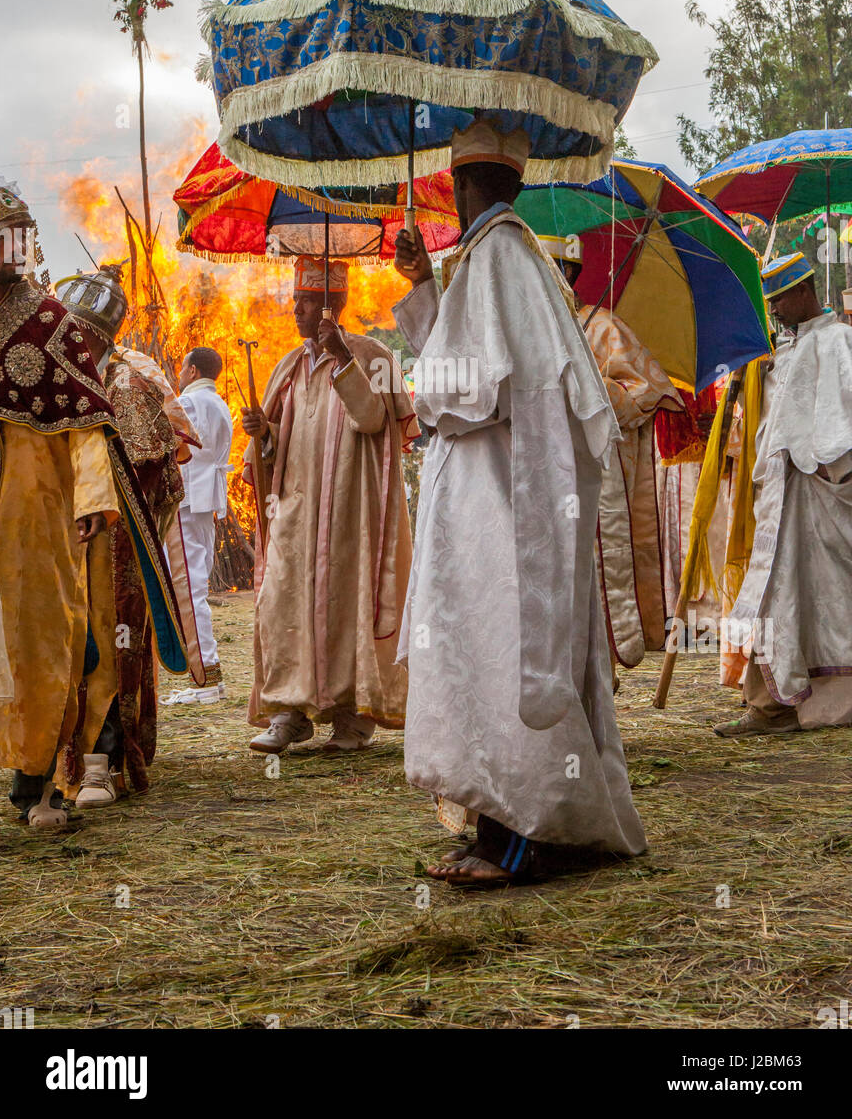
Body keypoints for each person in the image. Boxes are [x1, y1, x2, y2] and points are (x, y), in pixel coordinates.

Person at [392, 119, 646, 887]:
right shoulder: (514, 260)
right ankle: (522, 827)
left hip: (500, 508)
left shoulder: (499, 257)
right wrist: (422, 288)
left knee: (504, 654)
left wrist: (425, 383)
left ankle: (520, 837)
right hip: (497, 499)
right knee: (494, 652)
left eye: (455, 186)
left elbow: (462, 389)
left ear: (465, 186)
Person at [0, 190, 183, 828]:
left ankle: (39, 787)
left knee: (46, 639)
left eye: (15, 236)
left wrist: (93, 504)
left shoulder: (51, 325)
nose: (8, 250)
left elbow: (92, 426)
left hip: (37, 515)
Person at [243, 256, 418, 754]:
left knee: (349, 601)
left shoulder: (374, 355)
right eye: (295, 300)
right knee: (283, 601)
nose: (294, 310)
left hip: (352, 511)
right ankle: (288, 712)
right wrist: (266, 434)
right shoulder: (289, 365)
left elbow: (372, 420)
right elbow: (280, 445)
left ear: (332, 306)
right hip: (296, 513)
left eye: (305, 302)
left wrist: (343, 359)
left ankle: (352, 716)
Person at [54, 266, 187, 805]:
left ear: (95, 337)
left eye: (72, 333)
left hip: (115, 546)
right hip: (66, 535)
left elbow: (150, 473)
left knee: (113, 646)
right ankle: (63, 758)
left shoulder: (128, 387)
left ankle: (103, 760)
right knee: (71, 643)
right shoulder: (65, 379)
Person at [716, 253, 852, 736]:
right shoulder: (785, 349)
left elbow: (842, 428)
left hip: (820, 501)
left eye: (778, 300)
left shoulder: (838, 341)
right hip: (783, 502)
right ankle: (769, 705)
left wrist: (833, 479)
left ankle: (790, 707)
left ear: (803, 291)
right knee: (777, 595)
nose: (773, 310)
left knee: (819, 600)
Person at [542, 235, 683, 681]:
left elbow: (650, 388)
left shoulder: (604, 328)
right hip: (542, 478)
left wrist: (594, 394)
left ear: (566, 275)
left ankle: (599, 675)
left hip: (595, 480)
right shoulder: (529, 332)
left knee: (594, 574)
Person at [164, 347, 233, 706]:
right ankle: (207, 672)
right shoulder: (218, 403)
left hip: (186, 497)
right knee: (196, 584)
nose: (178, 374)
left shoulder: (189, 403)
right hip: (204, 500)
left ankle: (205, 675)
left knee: (188, 587)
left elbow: (169, 442)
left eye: (181, 368)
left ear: (191, 370)